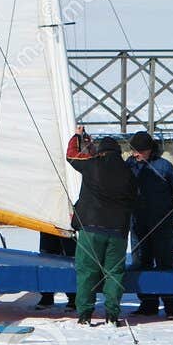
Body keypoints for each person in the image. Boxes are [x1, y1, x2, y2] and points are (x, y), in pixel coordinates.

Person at [66, 125, 139, 325]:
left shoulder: (93, 164)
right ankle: (112, 315)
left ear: (101, 151)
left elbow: (72, 155)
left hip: (91, 228)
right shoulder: (128, 173)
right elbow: (134, 198)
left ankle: (85, 315)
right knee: (114, 273)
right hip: (118, 231)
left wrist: (77, 137)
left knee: (87, 272)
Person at [126, 130, 173, 318]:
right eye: (133, 151)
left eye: (139, 152)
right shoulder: (130, 162)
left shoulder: (166, 162)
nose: (135, 155)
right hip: (138, 221)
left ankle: (172, 307)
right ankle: (148, 304)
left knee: (165, 263)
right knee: (140, 262)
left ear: (149, 150)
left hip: (163, 221)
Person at [36, 230, 78, 311]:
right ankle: (47, 296)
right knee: (46, 260)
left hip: (66, 226)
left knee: (69, 260)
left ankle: (73, 297)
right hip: (47, 224)